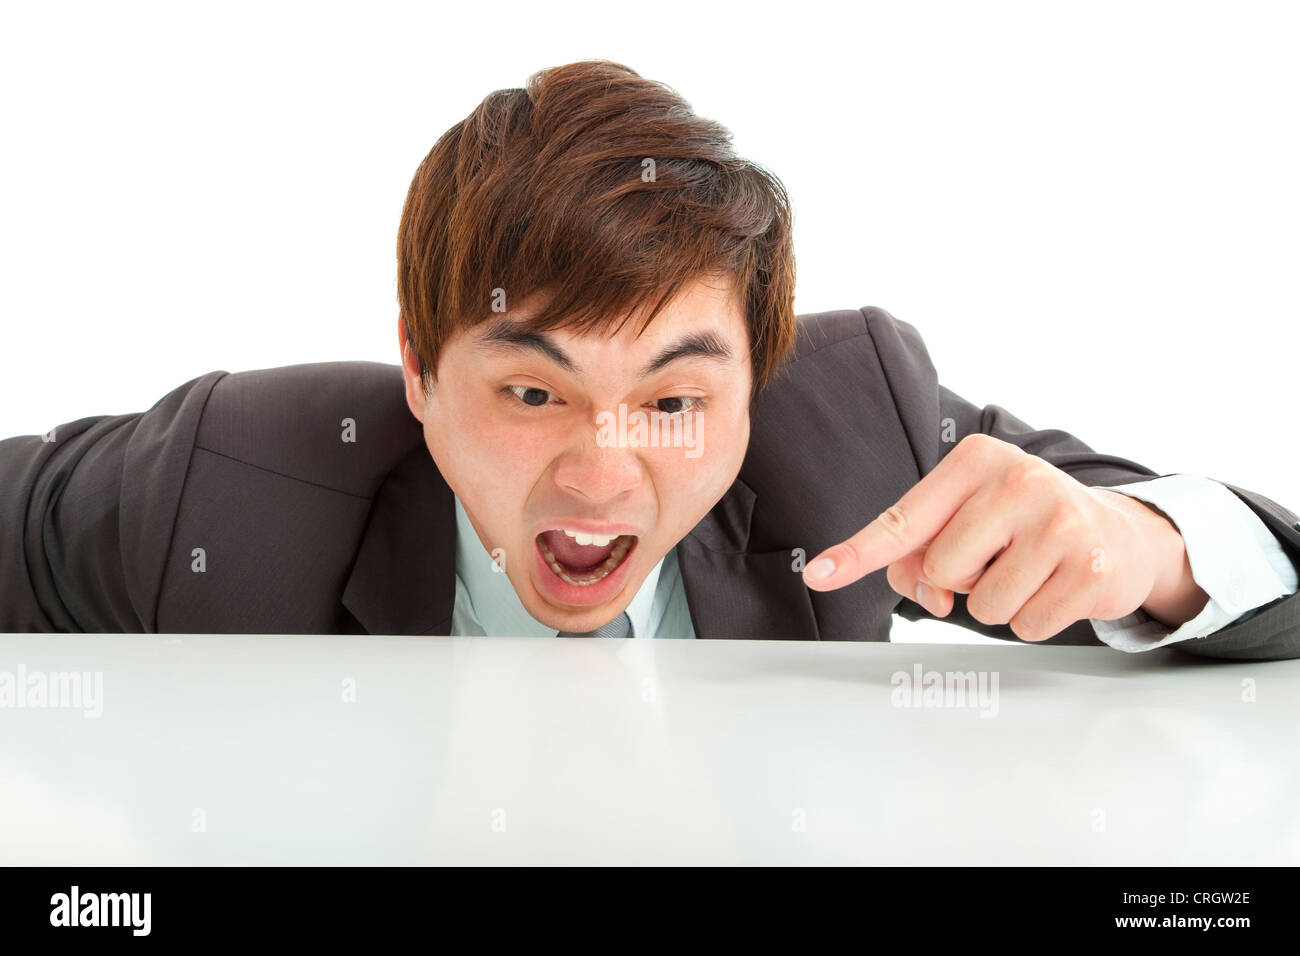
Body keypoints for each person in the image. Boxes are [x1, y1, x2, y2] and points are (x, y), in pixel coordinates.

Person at [2, 60, 1296, 659]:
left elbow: (1259, 572)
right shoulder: (230, 486)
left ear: (759, 377)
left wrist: (1148, 552)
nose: (601, 475)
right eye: (532, 391)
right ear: (419, 369)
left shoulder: (857, 429)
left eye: (674, 398)